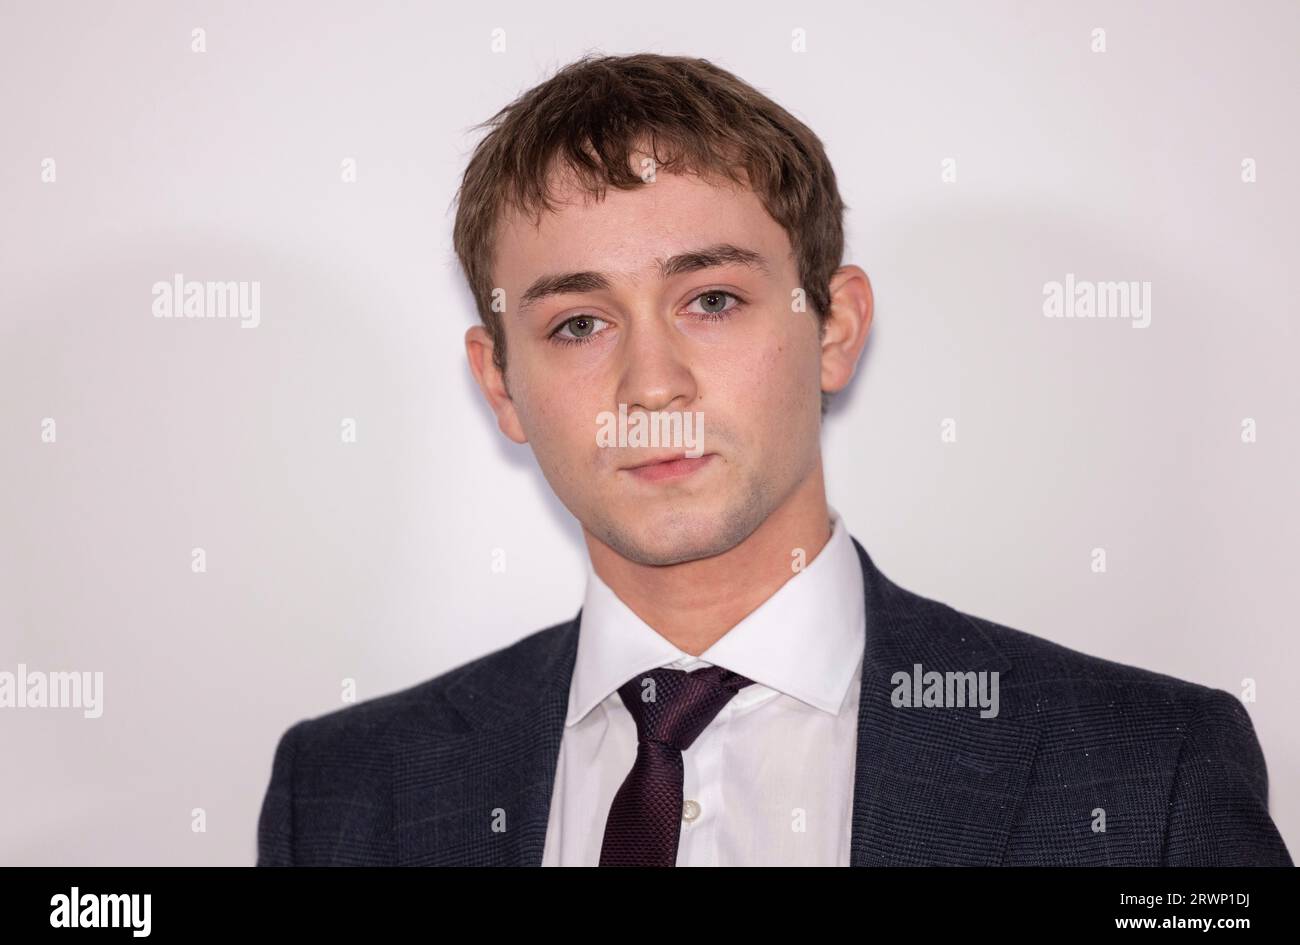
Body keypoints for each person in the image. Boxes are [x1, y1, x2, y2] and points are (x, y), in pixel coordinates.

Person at [257, 52, 1291, 866]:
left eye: (710, 300)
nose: (650, 386)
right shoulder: (346, 794)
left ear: (834, 328)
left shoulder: (1144, 770)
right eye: (578, 323)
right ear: (500, 385)